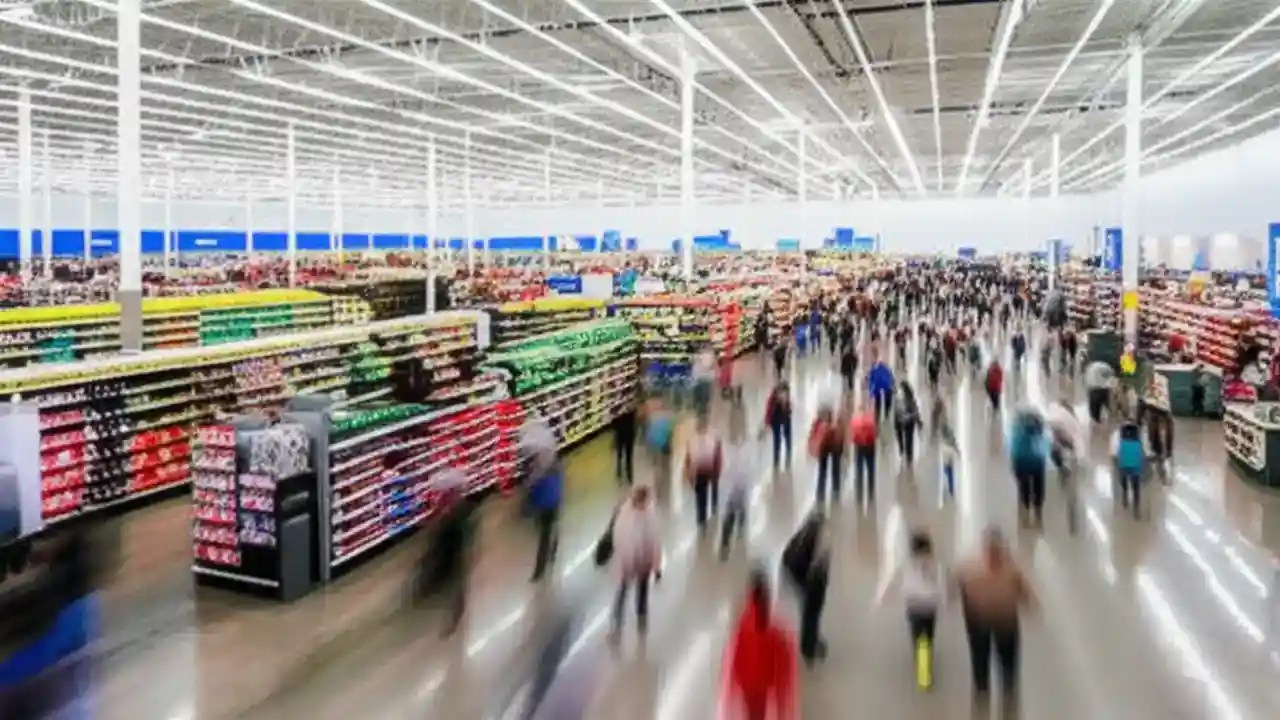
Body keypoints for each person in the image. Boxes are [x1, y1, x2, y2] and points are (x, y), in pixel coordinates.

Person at [956, 527, 1036, 704]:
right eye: (990, 549)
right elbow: (959, 585)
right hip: (979, 621)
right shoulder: (971, 566)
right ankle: (982, 688)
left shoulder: (1012, 568)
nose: (993, 554)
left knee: (1007, 658)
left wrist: (1031, 604)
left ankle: (1008, 690)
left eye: (996, 549)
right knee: (979, 656)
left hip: (1005, 621)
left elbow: (1024, 589)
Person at [719, 571, 797, 720]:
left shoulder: (744, 623)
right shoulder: (773, 629)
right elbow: (781, 658)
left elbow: (737, 655)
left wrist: (737, 678)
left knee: (752, 713)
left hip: (748, 685)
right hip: (763, 684)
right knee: (759, 712)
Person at [417, 469, 475, 636]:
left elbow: (464, 530)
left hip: (456, 548)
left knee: (456, 583)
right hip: (445, 547)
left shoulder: (464, 508)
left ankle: (456, 614)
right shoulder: (447, 501)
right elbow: (435, 515)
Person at [876, 530, 944, 668]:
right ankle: (925, 659)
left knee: (917, 634)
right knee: (929, 634)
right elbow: (942, 585)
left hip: (914, 606)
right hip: (930, 607)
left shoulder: (907, 565)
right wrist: (944, 601)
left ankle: (922, 664)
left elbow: (891, 580)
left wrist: (880, 599)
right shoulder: (935, 565)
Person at [610, 485, 662, 637]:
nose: (642, 505)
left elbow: (655, 542)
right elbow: (619, 539)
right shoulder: (625, 515)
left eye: (644, 501)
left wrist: (656, 567)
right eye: (640, 501)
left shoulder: (650, 516)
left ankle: (641, 617)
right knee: (622, 592)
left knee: (642, 591)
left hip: (644, 561)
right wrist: (625, 562)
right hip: (627, 562)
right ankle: (617, 622)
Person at [781, 512, 829, 664]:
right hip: (805, 580)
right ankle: (809, 648)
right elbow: (800, 567)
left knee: (809, 613)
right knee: (811, 615)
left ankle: (812, 640)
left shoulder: (800, 537)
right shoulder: (808, 545)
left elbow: (786, 559)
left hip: (799, 577)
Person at [1009, 407, 1048, 526]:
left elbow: (1013, 449)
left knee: (1024, 489)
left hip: (1021, 461)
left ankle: (1025, 515)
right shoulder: (1038, 432)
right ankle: (1038, 514)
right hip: (1037, 461)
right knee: (1038, 488)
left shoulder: (1017, 431)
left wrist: (1014, 467)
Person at [685, 414, 724, 533]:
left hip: (707, 471)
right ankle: (701, 518)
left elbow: (717, 456)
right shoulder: (694, 441)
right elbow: (688, 459)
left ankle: (705, 514)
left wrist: (717, 469)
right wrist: (689, 475)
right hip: (700, 472)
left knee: (704, 494)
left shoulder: (712, 438)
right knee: (701, 496)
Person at [528, 457, 563, 582]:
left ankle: (539, 570)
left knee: (545, 536)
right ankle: (553, 551)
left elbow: (534, 488)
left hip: (547, 505)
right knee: (550, 530)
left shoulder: (539, 470)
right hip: (551, 503)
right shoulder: (555, 467)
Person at [719, 445, 751, 560]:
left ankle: (725, 544)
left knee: (730, 518)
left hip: (734, 494)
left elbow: (725, 478)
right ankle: (739, 529)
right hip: (737, 493)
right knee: (737, 512)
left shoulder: (733, 461)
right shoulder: (743, 460)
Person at [808, 405, 845, 503]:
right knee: (830, 470)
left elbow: (812, 436)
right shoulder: (828, 424)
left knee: (825, 471)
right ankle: (832, 491)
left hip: (830, 447)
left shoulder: (823, 424)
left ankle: (823, 493)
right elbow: (813, 436)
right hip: (827, 447)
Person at [1112, 420, 1146, 519]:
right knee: (1136, 488)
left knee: (1124, 483)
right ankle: (1136, 509)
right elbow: (1144, 454)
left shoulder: (1120, 440)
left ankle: (1125, 499)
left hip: (1123, 466)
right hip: (1136, 467)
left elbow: (1114, 453)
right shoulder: (1139, 442)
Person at [849, 404, 877, 504]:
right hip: (870, 446)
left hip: (859, 446)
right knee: (871, 469)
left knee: (859, 469)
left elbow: (852, 436)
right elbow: (875, 433)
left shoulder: (855, 420)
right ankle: (871, 492)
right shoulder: (871, 418)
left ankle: (859, 493)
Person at [764, 382, 793, 471]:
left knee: (787, 435)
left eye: (786, 394)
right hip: (776, 418)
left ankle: (788, 453)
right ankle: (776, 459)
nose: (784, 396)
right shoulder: (772, 399)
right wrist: (767, 422)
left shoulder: (787, 400)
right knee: (777, 439)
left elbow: (789, 409)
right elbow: (768, 411)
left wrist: (786, 407)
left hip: (785, 416)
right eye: (782, 393)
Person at [893, 381, 923, 466]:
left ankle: (908, 457)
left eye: (901, 389)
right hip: (900, 420)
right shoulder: (898, 398)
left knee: (909, 440)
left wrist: (918, 421)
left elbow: (915, 410)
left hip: (908, 421)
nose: (900, 391)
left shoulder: (910, 399)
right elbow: (896, 411)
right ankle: (903, 452)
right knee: (901, 438)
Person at [612, 399, 637, 483]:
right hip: (629, 436)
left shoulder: (619, 413)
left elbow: (614, 424)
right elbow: (634, 423)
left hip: (621, 436)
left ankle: (619, 470)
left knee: (620, 454)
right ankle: (629, 474)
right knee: (629, 456)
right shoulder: (632, 413)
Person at [868, 354, 895, 422]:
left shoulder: (875, 369)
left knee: (879, 402)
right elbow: (891, 378)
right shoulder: (886, 369)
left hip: (880, 388)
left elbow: (871, 379)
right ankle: (885, 414)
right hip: (886, 388)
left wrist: (871, 390)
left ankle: (879, 415)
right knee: (886, 402)